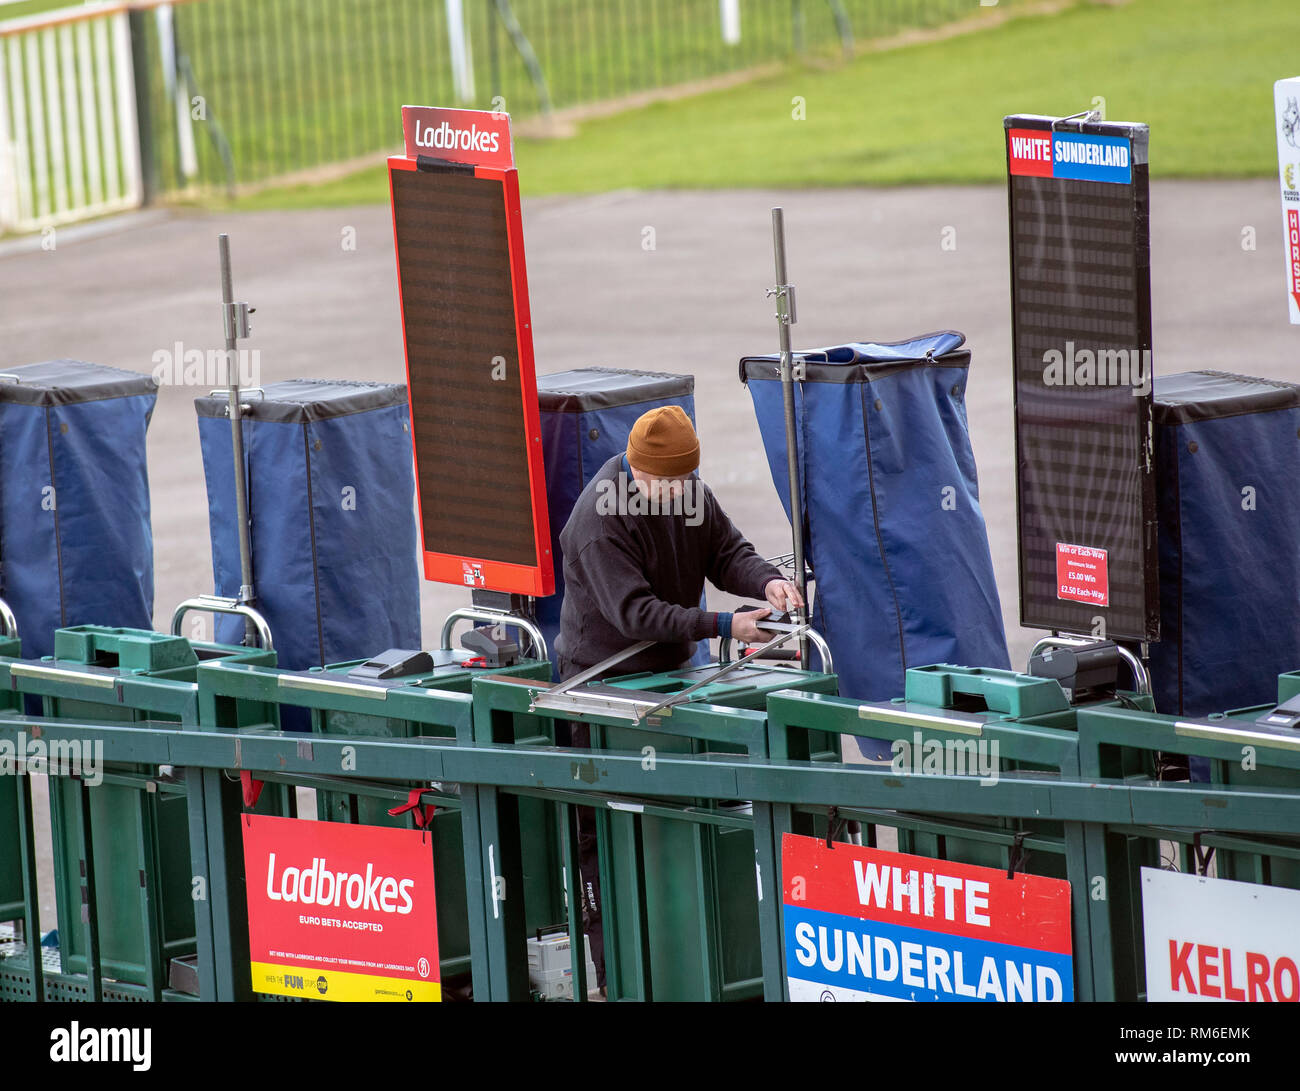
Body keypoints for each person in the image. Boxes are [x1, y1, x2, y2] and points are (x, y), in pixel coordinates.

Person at [554, 405, 803, 995]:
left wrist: (765, 579)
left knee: (686, 828)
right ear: (635, 472)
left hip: (670, 682)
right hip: (601, 690)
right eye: (662, 485)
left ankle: (698, 969)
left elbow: (725, 552)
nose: (674, 495)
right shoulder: (599, 520)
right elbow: (634, 613)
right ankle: (618, 979)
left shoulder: (688, 492)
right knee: (605, 841)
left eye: (682, 483)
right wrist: (725, 624)